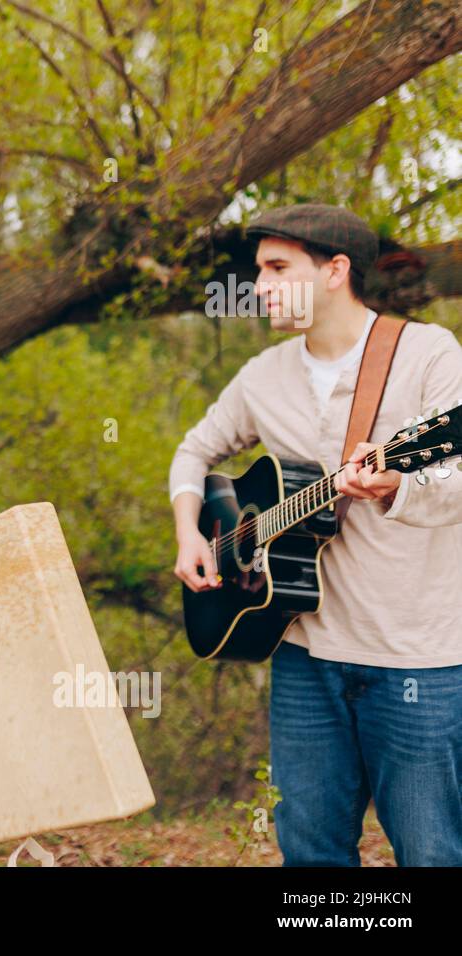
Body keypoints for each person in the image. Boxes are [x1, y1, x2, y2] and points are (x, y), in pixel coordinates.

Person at [170, 204, 462, 866]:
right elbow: (194, 452)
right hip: (303, 650)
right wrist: (191, 531)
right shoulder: (263, 375)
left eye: (278, 268)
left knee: (432, 851)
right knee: (309, 854)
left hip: (416, 657)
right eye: (258, 271)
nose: (260, 285)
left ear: (335, 271)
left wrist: (397, 485)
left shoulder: (426, 354)